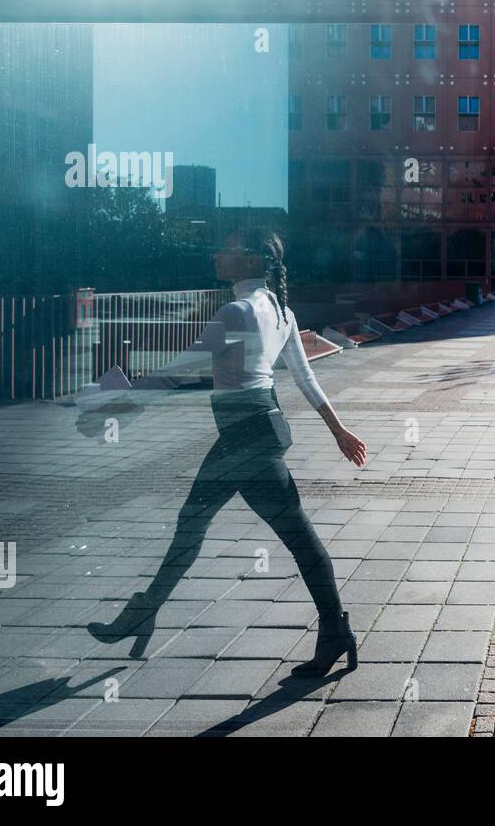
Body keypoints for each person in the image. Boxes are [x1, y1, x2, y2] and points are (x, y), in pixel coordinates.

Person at [87, 227, 368, 677]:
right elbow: (304, 377)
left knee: (284, 536)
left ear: (252, 261)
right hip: (254, 431)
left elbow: (178, 371)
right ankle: (145, 610)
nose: (217, 253)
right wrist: (338, 430)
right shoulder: (280, 311)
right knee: (198, 523)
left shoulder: (236, 311)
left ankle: (335, 631)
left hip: (246, 438)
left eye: (228, 249)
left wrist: (115, 405)